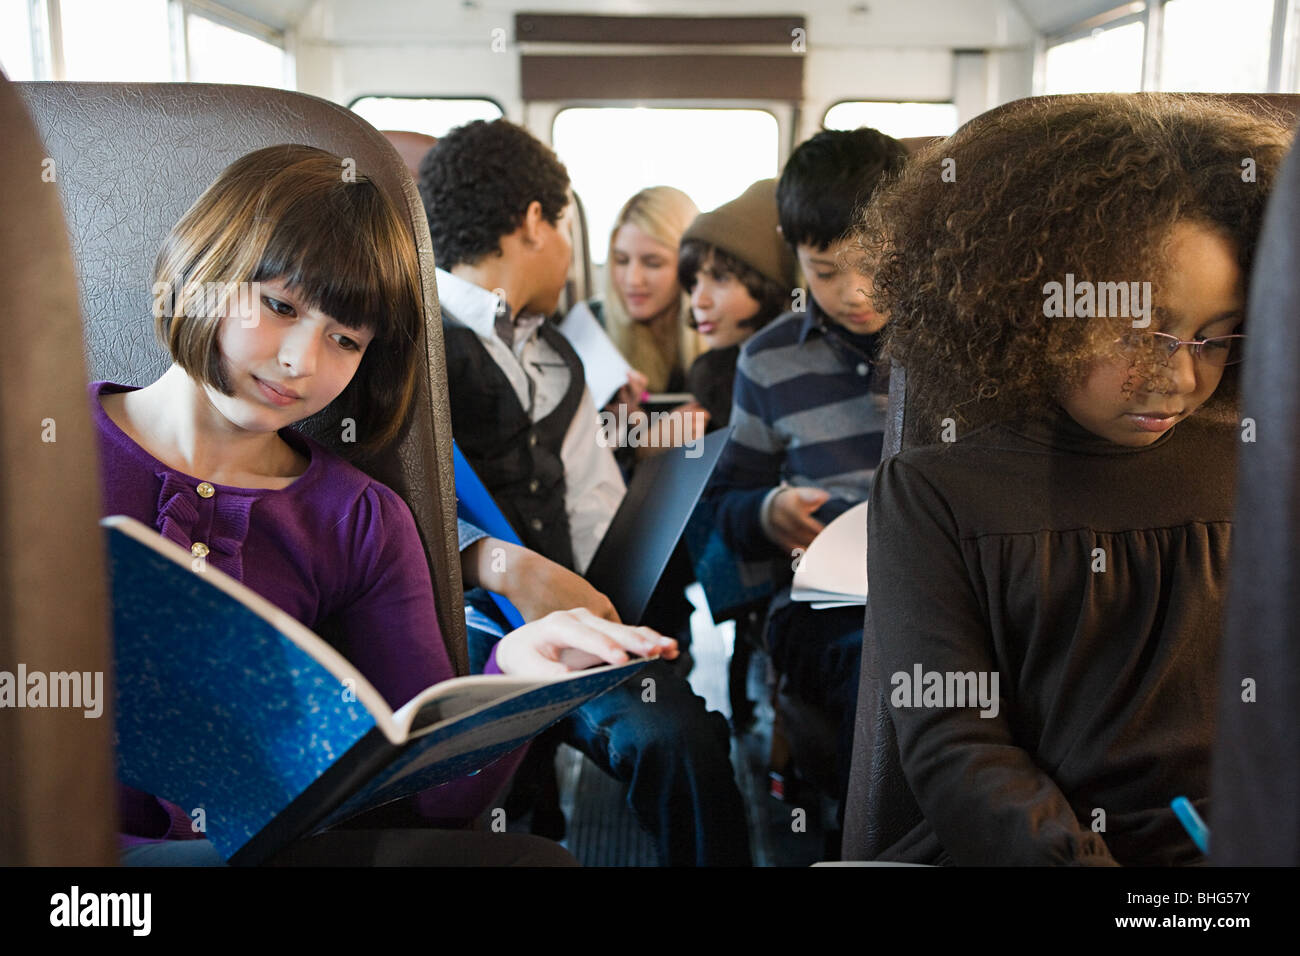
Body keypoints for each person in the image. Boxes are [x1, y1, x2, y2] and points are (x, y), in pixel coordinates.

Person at [97, 144, 675, 866]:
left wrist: (515, 677)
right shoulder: (35, 455)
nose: (300, 363)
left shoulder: (358, 518)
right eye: (279, 305)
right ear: (202, 267)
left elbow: (436, 798)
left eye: (345, 339)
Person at [858, 94, 1290, 865]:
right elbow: (956, 742)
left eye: (1216, 338)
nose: (1178, 377)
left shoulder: (1258, 468)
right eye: (1136, 332)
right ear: (1031, 307)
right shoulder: (936, 496)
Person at [418, 119, 750, 866]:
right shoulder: (409, 345)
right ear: (537, 222)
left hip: (583, 618)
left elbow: (592, 495)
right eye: (566, 225)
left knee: (683, 740)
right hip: (457, 631)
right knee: (516, 801)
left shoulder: (559, 349)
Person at [703, 128, 907, 810]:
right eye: (825, 272)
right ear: (795, 256)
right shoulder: (768, 361)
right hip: (825, 600)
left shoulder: (955, 349)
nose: (855, 292)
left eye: (876, 264)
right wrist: (768, 513)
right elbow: (730, 504)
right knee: (879, 674)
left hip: (940, 581)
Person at [676, 178, 794, 429]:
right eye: (694, 282)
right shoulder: (710, 377)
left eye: (719, 278)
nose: (699, 301)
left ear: (769, 285)